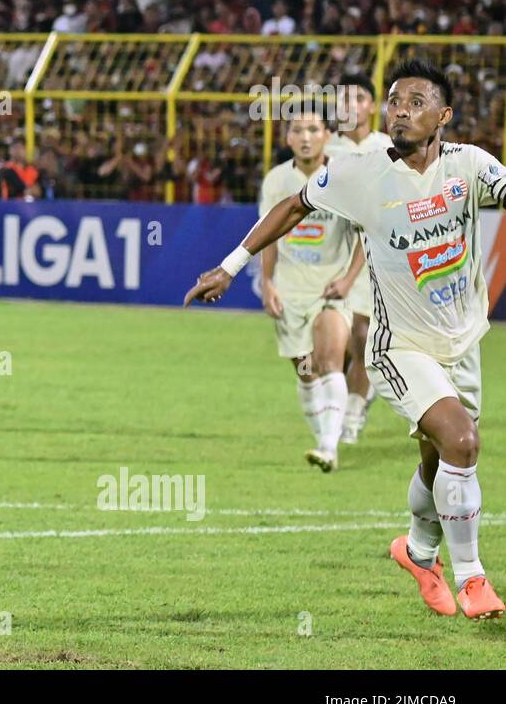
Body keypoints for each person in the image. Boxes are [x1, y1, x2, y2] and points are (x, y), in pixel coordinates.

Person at [186, 60, 506, 620]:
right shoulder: (358, 173)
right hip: (398, 345)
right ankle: (473, 578)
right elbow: (292, 207)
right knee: (464, 445)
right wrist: (230, 267)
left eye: (415, 100)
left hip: (462, 341)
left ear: (444, 116)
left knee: (438, 461)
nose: (400, 109)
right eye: (394, 100)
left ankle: (417, 551)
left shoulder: (471, 165)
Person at [257, 112, 363, 471]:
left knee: (330, 359)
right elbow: (267, 234)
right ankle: (324, 434)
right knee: (305, 371)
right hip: (289, 292)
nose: (305, 137)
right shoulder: (276, 180)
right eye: (297, 130)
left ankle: (328, 447)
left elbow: (366, 235)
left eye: (313, 130)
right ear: (287, 138)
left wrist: (348, 280)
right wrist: (267, 283)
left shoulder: (345, 177)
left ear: (327, 136)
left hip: (331, 290)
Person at [324, 73, 394, 444]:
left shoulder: (388, 147)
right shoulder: (325, 148)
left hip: (374, 255)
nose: (350, 105)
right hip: (328, 256)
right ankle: (356, 394)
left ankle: (351, 416)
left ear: (371, 105)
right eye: (343, 99)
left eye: (358, 98)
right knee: (330, 348)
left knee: (362, 332)